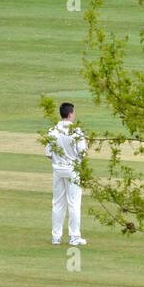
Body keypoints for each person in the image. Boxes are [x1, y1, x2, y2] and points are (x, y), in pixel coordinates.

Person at [46, 102, 87, 246]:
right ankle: (74, 236)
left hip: (58, 170)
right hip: (73, 169)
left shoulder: (52, 131)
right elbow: (83, 152)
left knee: (58, 203)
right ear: (70, 114)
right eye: (73, 113)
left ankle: (56, 237)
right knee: (74, 202)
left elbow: (49, 154)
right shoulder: (76, 131)